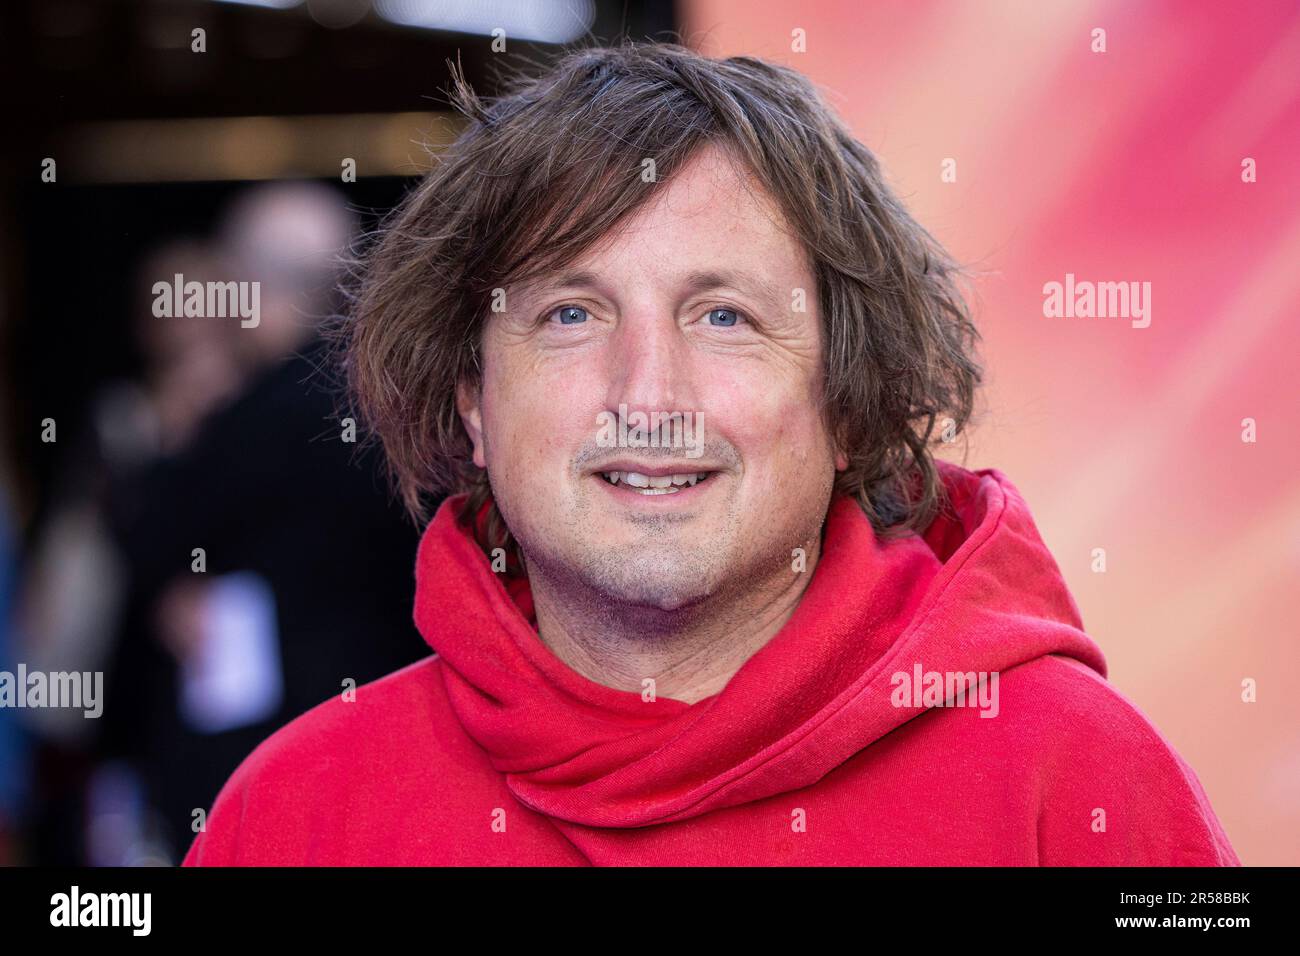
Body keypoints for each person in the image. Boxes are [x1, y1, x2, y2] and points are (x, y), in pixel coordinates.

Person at [183, 42, 1238, 866]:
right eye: (569, 315)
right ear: (473, 403)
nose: (647, 395)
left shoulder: (1077, 777)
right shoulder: (297, 810)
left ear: (844, 398)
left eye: (725, 316)